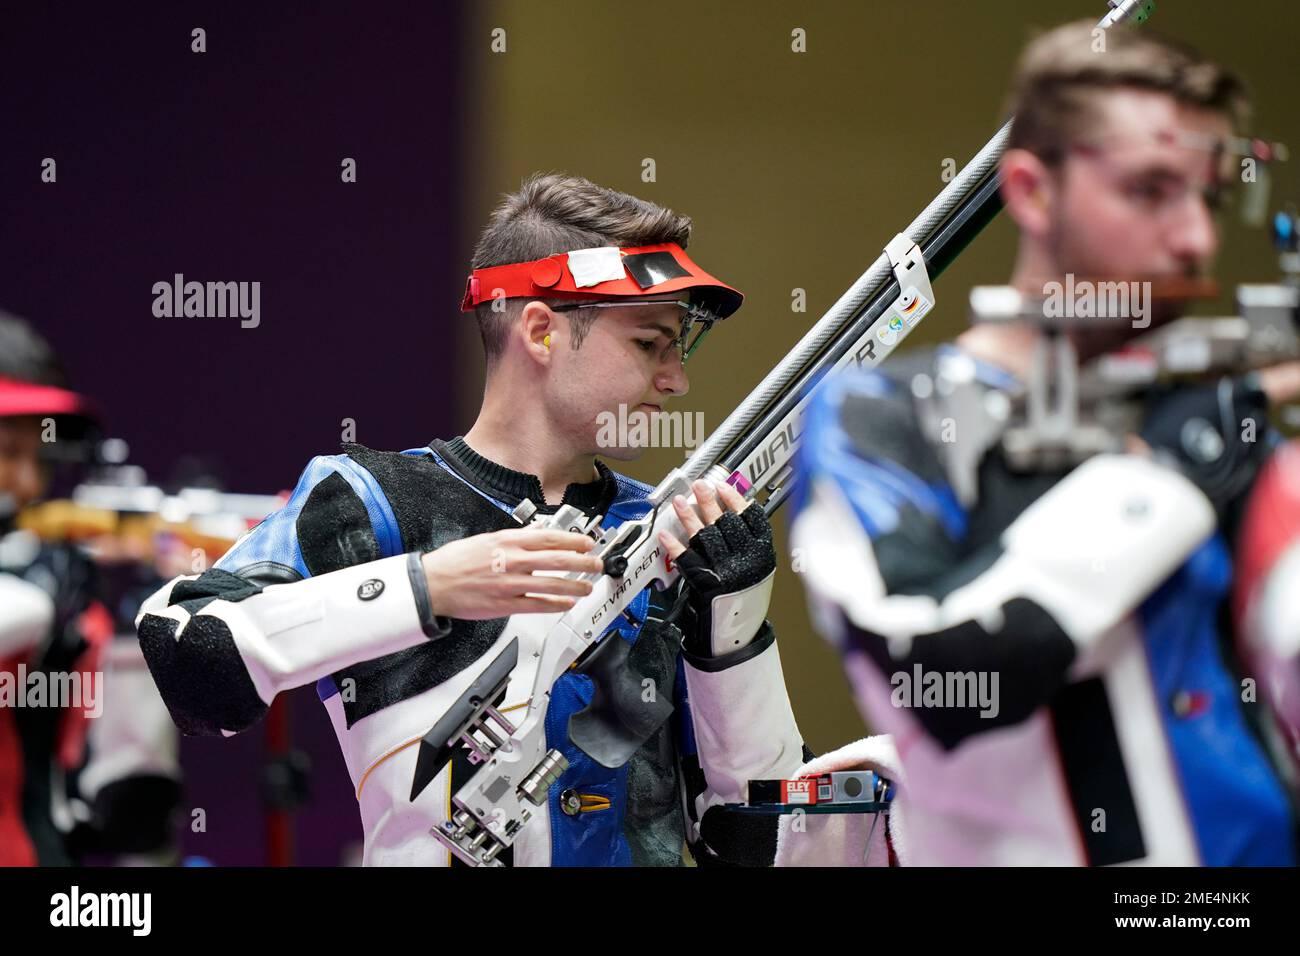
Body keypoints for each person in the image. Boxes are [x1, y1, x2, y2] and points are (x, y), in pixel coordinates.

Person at [136, 173, 807, 866]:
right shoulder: (372, 498)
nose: (676, 380)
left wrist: (736, 637)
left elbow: (765, 844)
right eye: (649, 343)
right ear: (541, 330)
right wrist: (426, 588)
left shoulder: (672, 532)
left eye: (679, 347)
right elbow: (187, 656)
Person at [787, 20, 1298, 865]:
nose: (1197, 239)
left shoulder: (1212, 410)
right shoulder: (884, 414)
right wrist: (1172, 466)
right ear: (1030, 189)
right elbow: (941, 676)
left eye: (1207, 196)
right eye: (1150, 189)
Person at [0, 311, 106, 865]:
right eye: (7, 453)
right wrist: (39, 596)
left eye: (37, 457)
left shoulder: (58, 580)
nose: (26, 482)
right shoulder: (37, 585)